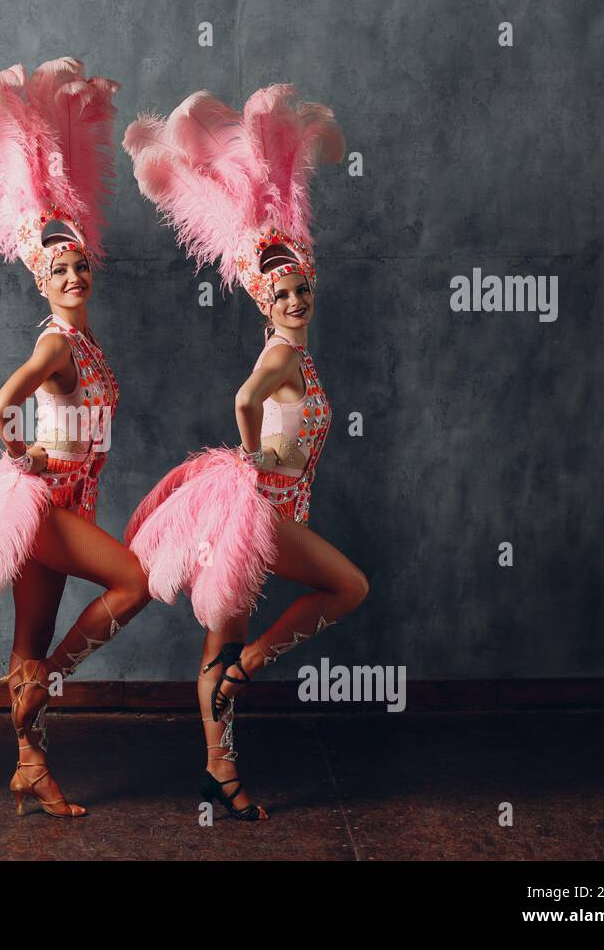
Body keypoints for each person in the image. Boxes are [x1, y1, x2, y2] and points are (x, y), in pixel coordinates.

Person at [122, 84, 368, 821]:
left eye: (301, 288)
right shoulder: (282, 358)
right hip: (263, 512)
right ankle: (253, 668)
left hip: (256, 506)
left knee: (215, 644)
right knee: (348, 587)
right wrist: (256, 453)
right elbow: (248, 396)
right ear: (263, 299)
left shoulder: (290, 348)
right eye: (283, 292)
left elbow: (268, 408)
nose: (296, 300)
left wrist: (261, 452)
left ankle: (219, 773)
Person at [0, 58, 151, 818]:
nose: (74, 273)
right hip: (47, 501)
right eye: (60, 268)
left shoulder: (85, 346)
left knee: (30, 636)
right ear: (41, 281)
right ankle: (45, 682)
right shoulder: (55, 345)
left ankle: (31, 765)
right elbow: (1, 404)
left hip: (72, 501)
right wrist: (23, 458)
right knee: (135, 583)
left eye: (81, 263)